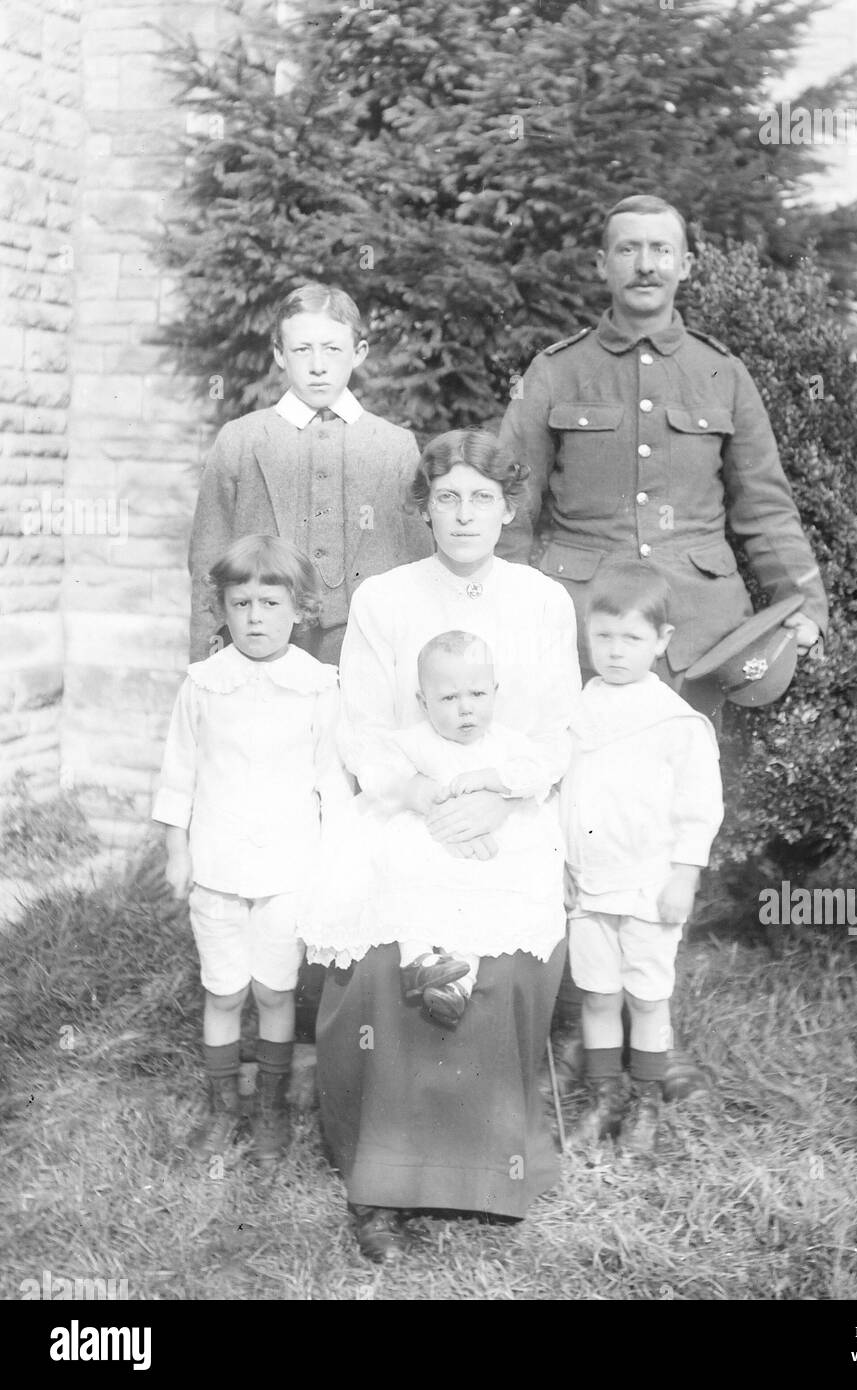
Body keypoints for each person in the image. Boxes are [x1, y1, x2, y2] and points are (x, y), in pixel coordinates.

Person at [315, 430, 581, 1264]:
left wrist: (499, 799)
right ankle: (385, 1178)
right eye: (447, 498)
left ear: (509, 508)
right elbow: (359, 729)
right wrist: (428, 800)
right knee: (393, 900)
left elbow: (556, 728)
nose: (465, 515)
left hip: (508, 799)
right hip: (406, 796)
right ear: (422, 509)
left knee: (511, 898)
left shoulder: (542, 600)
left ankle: (489, 1167)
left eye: (482, 498)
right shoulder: (384, 599)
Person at [496, 193, 828, 707]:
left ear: (686, 266)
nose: (646, 265)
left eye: (661, 250)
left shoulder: (723, 373)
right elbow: (511, 501)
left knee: (687, 780)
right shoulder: (555, 371)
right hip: (580, 631)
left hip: (700, 636)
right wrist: (505, 612)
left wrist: (804, 604)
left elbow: (765, 507)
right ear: (602, 265)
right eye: (628, 250)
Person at [153, 536, 350, 1169]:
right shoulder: (205, 686)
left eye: (271, 602)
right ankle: (222, 1109)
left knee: (274, 992)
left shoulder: (319, 687)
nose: (256, 617)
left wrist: (335, 865)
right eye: (242, 603)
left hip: (288, 871)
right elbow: (178, 775)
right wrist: (176, 851)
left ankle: (270, 1108)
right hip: (216, 868)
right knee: (223, 991)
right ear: (224, 607)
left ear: (300, 609)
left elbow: (332, 783)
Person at [301, 628, 567, 1027]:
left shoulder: (506, 746)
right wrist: (412, 791)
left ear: (495, 691)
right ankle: (418, 959)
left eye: (477, 695)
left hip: (486, 846)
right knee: (402, 879)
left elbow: (537, 773)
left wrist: (498, 782)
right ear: (423, 702)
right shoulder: (415, 741)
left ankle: (457, 982)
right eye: (448, 698)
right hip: (426, 840)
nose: (465, 709)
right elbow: (377, 771)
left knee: (483, 902)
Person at [561, 560, 723, 1157]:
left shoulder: (675, 722)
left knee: (647, 998)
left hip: (650, 885)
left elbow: (698, 808)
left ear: (661, 643)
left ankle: (647, 1100)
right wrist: (563, 863)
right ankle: (604, 1098)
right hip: (590, 884)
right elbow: (565, 792)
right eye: (603, 636)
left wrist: (684, 874)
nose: (615, 651)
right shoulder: (578, 710)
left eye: (632, 638)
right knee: (599, 996)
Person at [188, 282, 431, 665]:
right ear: (280, 354)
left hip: (363, 647)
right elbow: (207, 564)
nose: (318, 365)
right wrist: (206, 665)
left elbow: (420, 565)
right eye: (302, 349)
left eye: (333, 349)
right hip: (262, 648)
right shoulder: (241, 440)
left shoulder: (394, 445)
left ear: (359, 353)